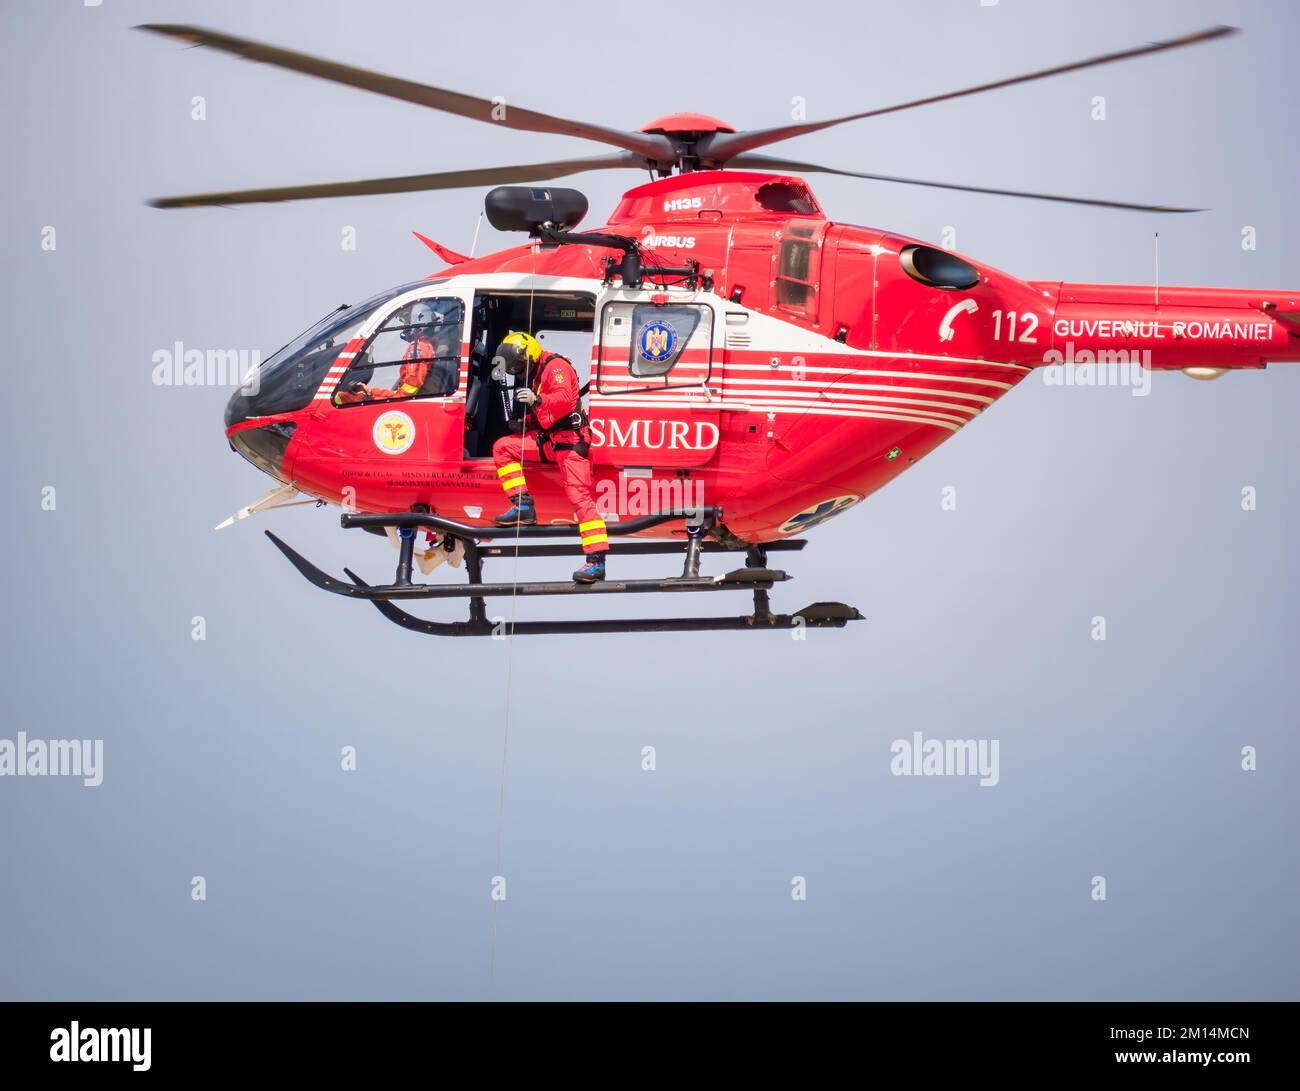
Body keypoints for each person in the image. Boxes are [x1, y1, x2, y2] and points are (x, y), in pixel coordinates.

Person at [490, 331, 608, 583]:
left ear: (530, 357)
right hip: (550, 441)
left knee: (579, 496)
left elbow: (566, 401)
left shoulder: (555, 367)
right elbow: (545, 415)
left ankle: (596, 561)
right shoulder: (535, 374)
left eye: (521, 367)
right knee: (503, 447)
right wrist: (525, 421)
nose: (520, 373)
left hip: (571, 440)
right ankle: (523, 506)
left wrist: (538, 399)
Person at [336, 301, 453, 404]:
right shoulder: (426, 346)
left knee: (343, 398)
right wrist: (371, 392)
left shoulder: (418, 348)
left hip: (408, 406)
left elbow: (407, 393)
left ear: (419, 319)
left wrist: (368, 398)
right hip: (410, 402)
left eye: (407, 320)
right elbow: (401, 393)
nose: (405, 326)